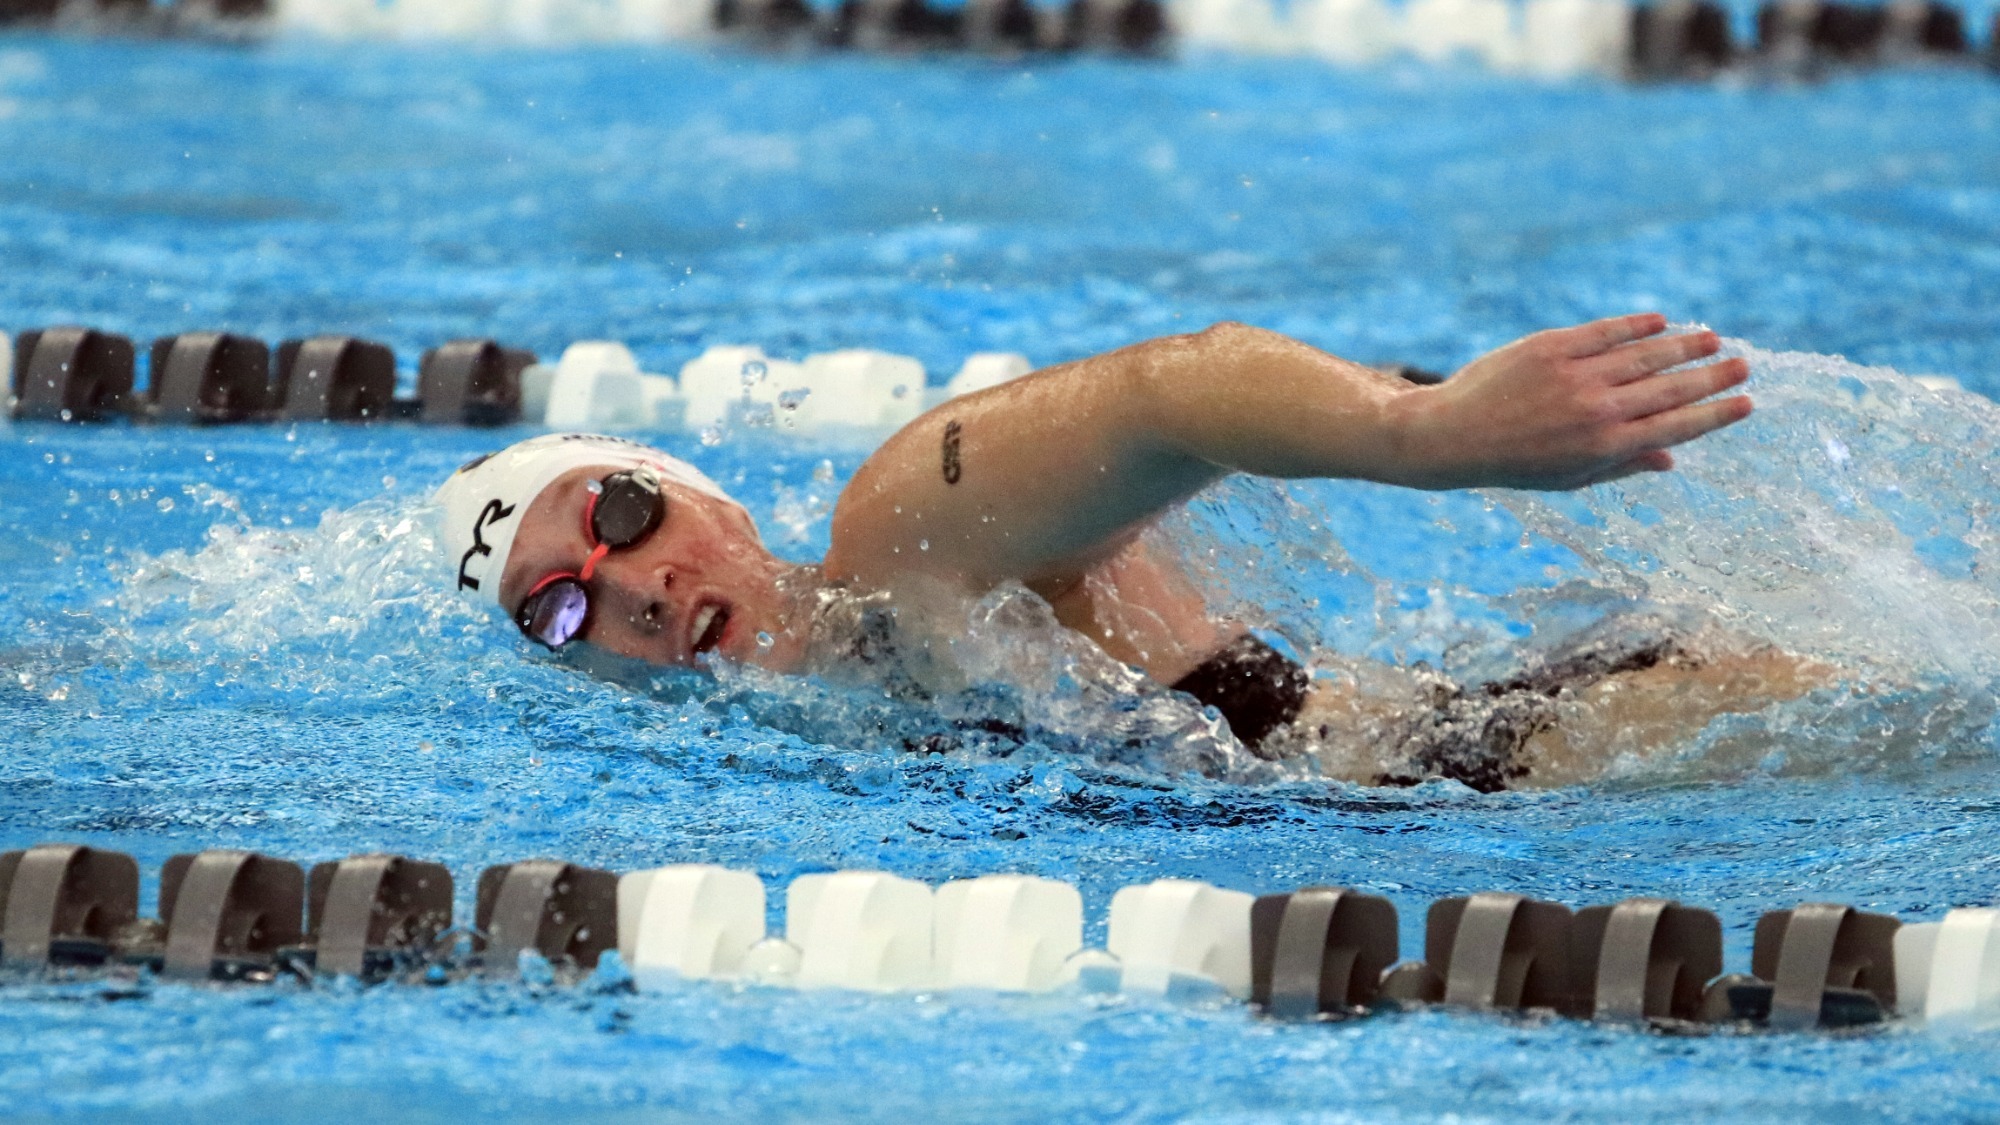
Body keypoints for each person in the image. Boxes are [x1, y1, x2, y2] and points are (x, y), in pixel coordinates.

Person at [436, 314, 1821, 790]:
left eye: (622, 515)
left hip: (1550, 747)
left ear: (711, 501)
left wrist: (1424, 431)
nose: (633, 585)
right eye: (559, 609)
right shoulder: (792, 747)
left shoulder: (906, 536)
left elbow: (1169, 390)